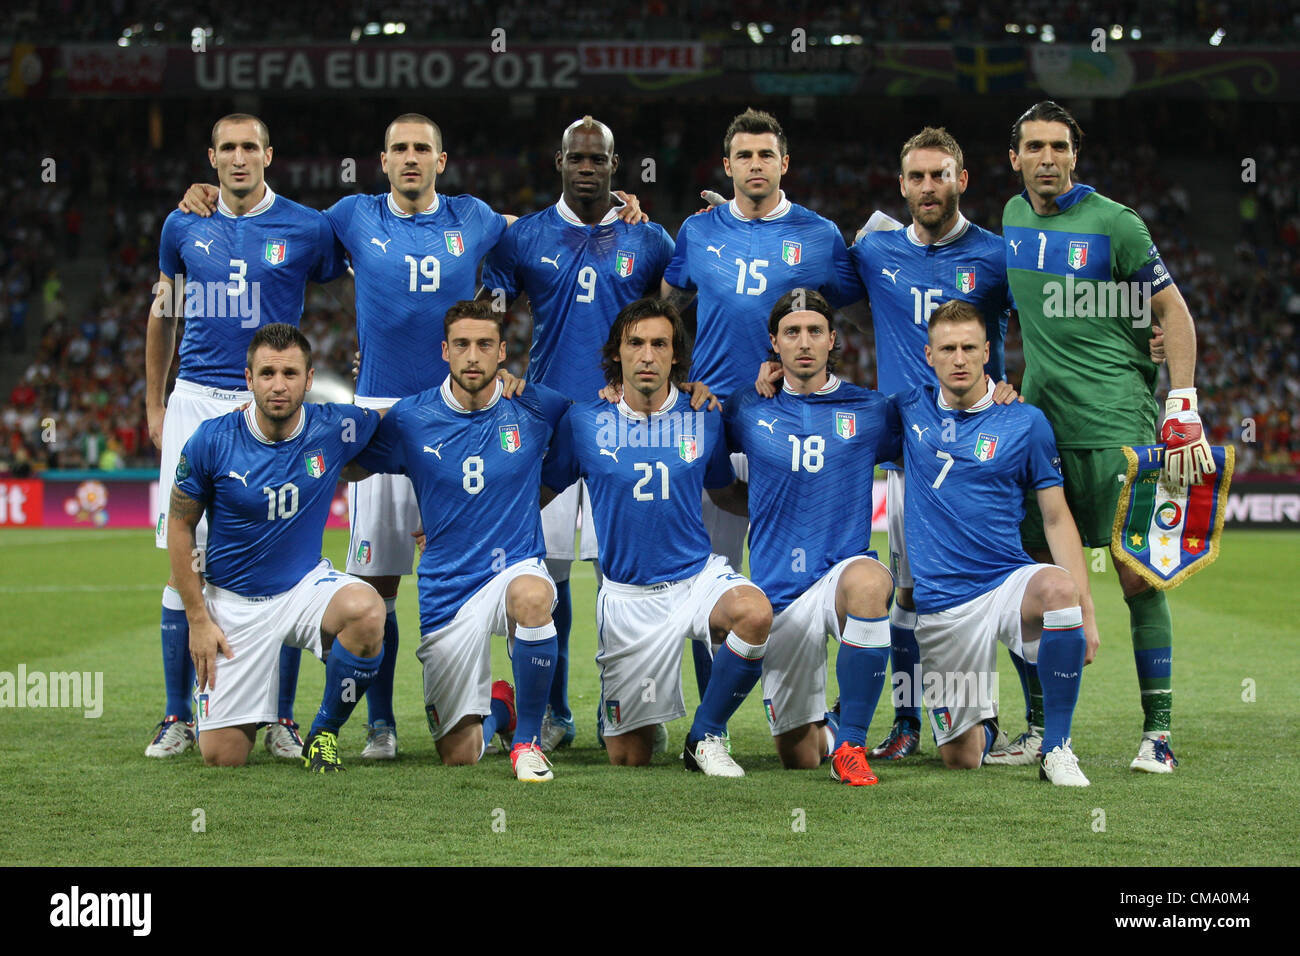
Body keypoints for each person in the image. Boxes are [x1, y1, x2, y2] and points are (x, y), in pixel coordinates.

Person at [181, 114, 643, 761]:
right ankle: (380, 724)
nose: (410, 157)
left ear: (440, 161)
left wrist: (617, 214)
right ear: (383, 159)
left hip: (459, 417)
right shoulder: (352, 215)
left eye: (422, 148)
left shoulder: (473, 217)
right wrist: (216, 195)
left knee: (516, 572)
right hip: (381, 414)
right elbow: (277, 219)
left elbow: (542, 229)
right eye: (399, 148)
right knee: (378, 581)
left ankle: (533, 711)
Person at [1004, 101, 1212, 772]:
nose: (1047, 158)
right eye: (1035, 146)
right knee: (1033, 580)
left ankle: (1158, 735)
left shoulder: (1116, 223)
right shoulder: (1009, 218)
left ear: (1075, 154)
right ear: (1014, 157)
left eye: (1059, 146)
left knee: (1138, 575)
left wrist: (1182, 404)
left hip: (1118, 423)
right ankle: (1039, 729)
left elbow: (1172, 311)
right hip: (1043, 430)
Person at [146, 114, 348, 760]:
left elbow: (360, 277)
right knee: (184, 565)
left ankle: (281, 717)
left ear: (268, 155)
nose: (238, 158)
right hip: (197, 399)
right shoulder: (183, 224)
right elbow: (163, 313)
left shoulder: (307, 227)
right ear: (211, 157)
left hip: (271, 402)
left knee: (279, 563)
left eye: (249, 147)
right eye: (227, 148)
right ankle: (177, 715)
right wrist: (154, 402)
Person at [478, 116, 676, 752]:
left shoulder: (649, 238)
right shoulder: (524, 236)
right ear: (558, 162)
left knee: (627, 578)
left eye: (598, 159)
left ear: (615, 166)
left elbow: (673, 319)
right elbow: (488, 311)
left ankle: (629, 707)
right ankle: (553, 712)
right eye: (576, 158)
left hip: (628, 427)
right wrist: (497, 368)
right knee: (549, 578)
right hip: (550, 425)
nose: (586, 167)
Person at [843, 127, 1033, 765]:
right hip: (911, 454)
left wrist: (1017, 386)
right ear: (902, 185)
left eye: (940, 175)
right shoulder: (875, 251)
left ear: (962, 180)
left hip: (984, 453)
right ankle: (906, 723)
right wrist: (739, 216)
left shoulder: (998, 256)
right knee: (906, 590)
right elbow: (803, 289)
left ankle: (1022, 723)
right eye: (918, 177)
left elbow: (1048, 327)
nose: (929, 187)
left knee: (998, 581)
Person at [660, 107, 860, 709]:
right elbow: (666, 308)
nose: (755, 164)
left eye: (766, 155)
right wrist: (674, 382)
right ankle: (711, 717)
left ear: (784, 164)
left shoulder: (820, 235)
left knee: (802, 576)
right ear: (727, 165)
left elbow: (855, 305)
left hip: (790, 430)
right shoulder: (698, 232)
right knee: (707, 581)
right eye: (744, 155)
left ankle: (807, 709)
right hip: (714, 428)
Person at [542, 298, 772, 776]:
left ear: (675, 355)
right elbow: (543, 491)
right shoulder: (583, 421)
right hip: (628, 599)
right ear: (617, 353)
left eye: (660, 344)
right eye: (636, 343)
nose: (647, 355)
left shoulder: (704, 414)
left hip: (696, 578)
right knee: (630, 758)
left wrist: (783, 509)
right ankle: (637, 717)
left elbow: (723, 490)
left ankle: (705, 735)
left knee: (753, 613)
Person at [348, 301, 568, 782]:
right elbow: (349, 460)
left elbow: (592, 423)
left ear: (502, 352)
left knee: (534, 596)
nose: (473, 355)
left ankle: (528, 743)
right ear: (445, 351)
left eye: (484, 344)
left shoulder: (537, 405)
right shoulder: (410, 417)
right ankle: (502, 708)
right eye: (462, 344)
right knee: (459, 753)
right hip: (447, 588)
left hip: (514, 568)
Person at [894, 300, 1099, 785]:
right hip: (943, 604)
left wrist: (1087, 610)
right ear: (929, 355)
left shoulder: (1025, 421)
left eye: (969, 348)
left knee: (1059, 590)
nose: (959, 358)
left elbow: (1056, 518)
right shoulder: (906, 409)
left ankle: (1056, 747)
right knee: (961, 757)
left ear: (988, 352)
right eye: (948, 349)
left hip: (1005, 584)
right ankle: (985, 726)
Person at [168, 323, 386, 771]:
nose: (279, 385)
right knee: (223, 757)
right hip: (233, 605)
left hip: (303, 589)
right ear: (249, 379)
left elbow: (404, 416)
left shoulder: (334, 426)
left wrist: (486, 387)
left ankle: (323, 733)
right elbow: (179, 525)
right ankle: (236, 711)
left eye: (290, 373)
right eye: (267, 373)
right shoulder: (212, 438)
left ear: (309, 379)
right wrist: (198, 619)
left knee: (367, 610)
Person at [720, 290, 899, 784]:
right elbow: (714, 473)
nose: (804, 342)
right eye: (792, 332)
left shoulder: (871, 408)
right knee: (798, 755)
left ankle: (852, 745)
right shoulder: (746, 406)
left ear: (832, 340)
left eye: (815, 331)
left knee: (868, 582)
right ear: (773, 343)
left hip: (841, 573)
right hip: (779, 592)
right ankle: (833, 725)